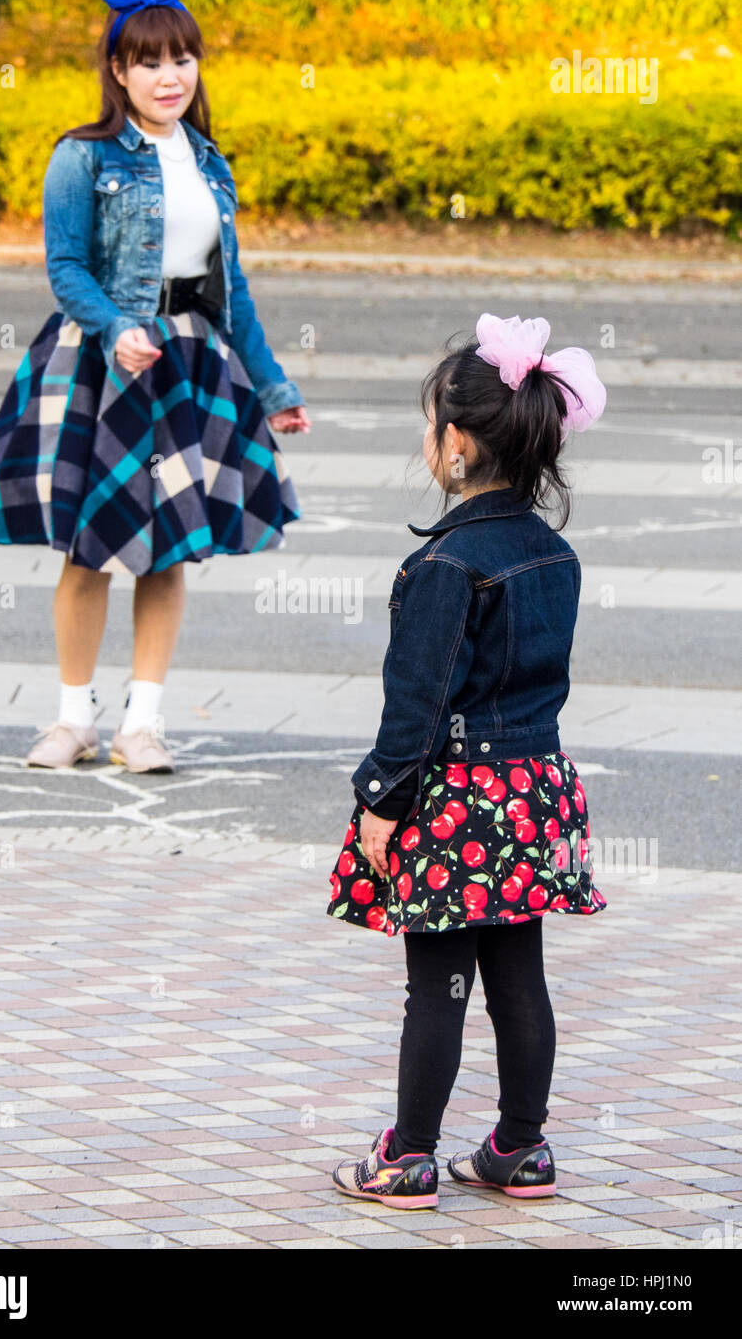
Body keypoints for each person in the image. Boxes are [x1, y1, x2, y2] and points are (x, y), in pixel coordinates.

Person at [0, 0, 310, 773]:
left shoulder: (210, 164)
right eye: (150, 62)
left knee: (171, 550)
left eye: (183, 59)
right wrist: (115, 328)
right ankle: (73, 718)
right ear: (118, 71)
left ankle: (140, 726)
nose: (169, 76)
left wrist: (274, 388)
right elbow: (66, 266)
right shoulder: (82, 156)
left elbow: (232, 291)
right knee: (89, 551)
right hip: (101, 361)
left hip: (187, 363)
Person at [326, 312, 608, 1209]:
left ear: (454, 444)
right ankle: (520, 1148)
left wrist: (380, 800)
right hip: (533, 793)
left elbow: (416, 705)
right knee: (519, 975)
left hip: (455, 801)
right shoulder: (553, 555)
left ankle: (407, 1157)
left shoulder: (447, 565)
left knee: (437, 985)